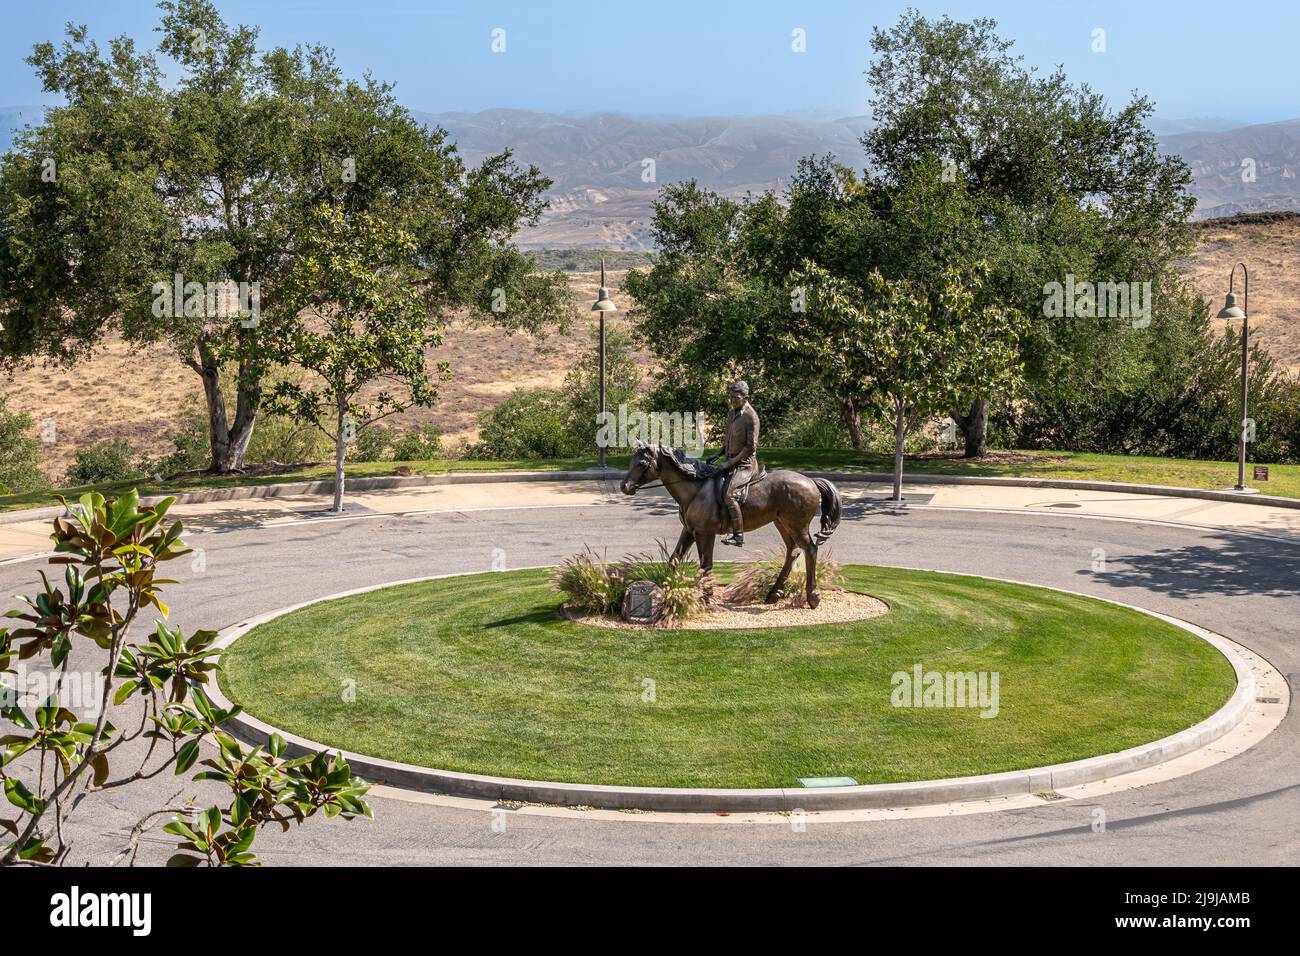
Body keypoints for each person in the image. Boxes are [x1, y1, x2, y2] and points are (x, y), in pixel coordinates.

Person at [716, 380, 759, 546]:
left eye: (736, 397)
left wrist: (729, 463)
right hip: (730, 459)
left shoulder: (751, 416)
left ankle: (738, 536)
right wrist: (718, 454)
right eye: (731, 397)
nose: (732, 400)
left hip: (744, 465)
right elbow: (729, 439)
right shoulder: (732, 412)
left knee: (729, 494)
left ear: (746, 397)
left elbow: (750, 447)